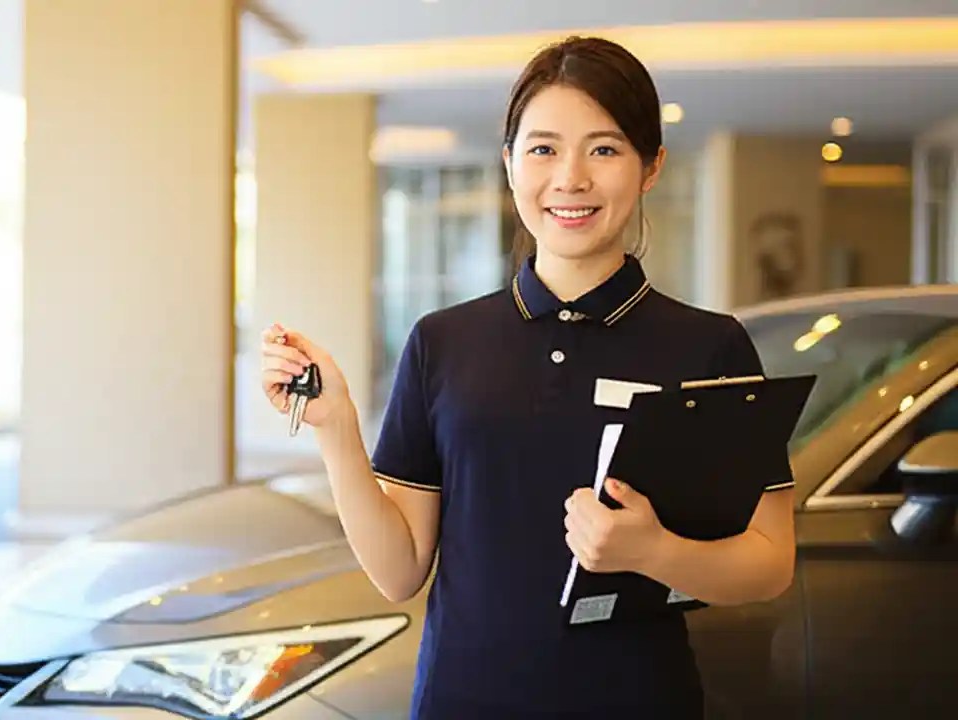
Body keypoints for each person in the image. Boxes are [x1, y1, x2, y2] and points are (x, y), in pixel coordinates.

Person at [259, 36, 796, 720]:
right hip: (464, 700)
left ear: (650, 165)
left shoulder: (709, 345)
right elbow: (399, 572)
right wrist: (336, 430)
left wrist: (654, 550)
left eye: (603, 149)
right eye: (543, 148)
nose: (570, 178)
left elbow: (770, 561)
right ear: (510, 162)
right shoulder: (443, 342)